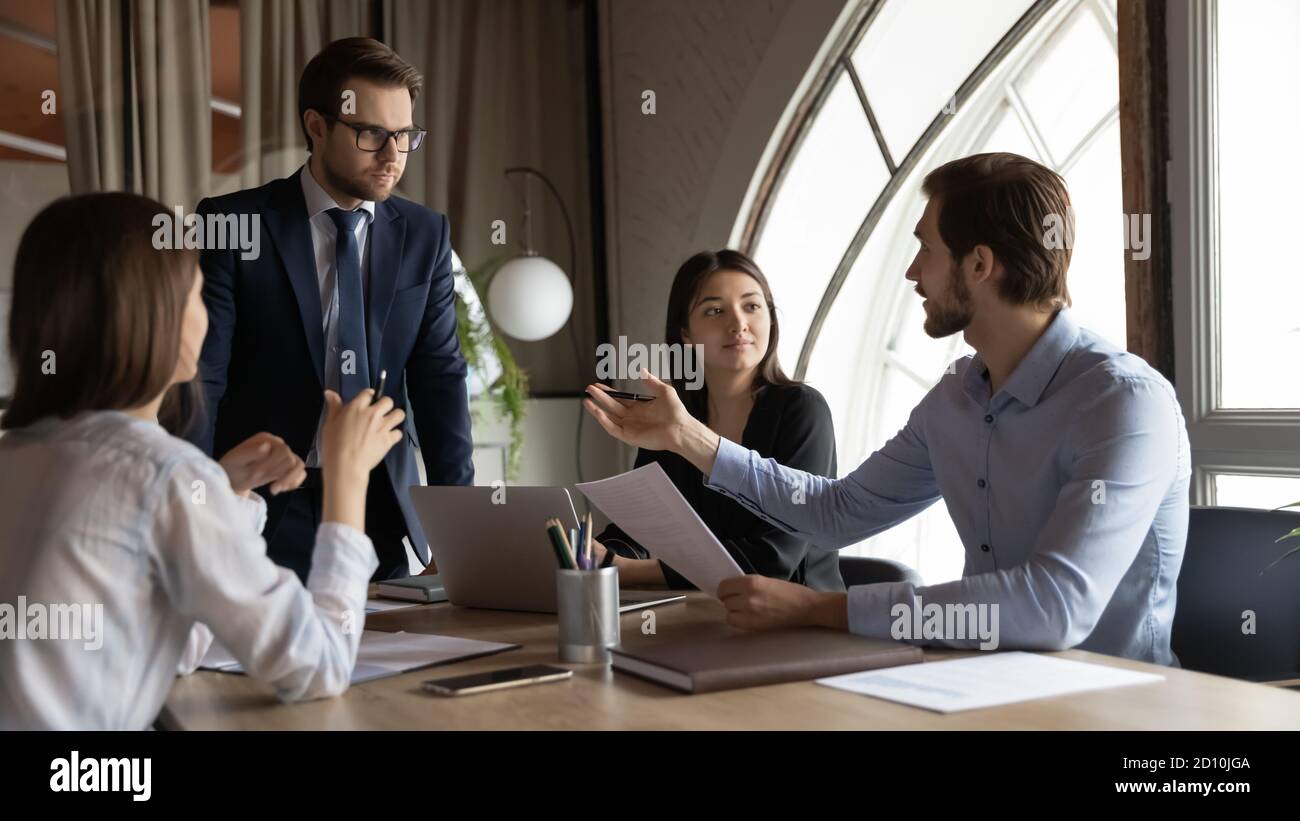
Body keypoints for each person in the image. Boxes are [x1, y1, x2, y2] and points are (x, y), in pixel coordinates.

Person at [584, 153, 1190, 664]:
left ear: (978, 265)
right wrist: (690, 437)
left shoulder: (1122, 402)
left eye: (926, 248)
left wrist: (826, 610)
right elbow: (836, 511)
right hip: (984, 684)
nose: (911, 271)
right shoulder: (956, 399)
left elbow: (1055, 606)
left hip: (1119, 705)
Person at [0, 192, 404, 729]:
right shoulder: (159, 473)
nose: (208, 317)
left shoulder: (20, 453)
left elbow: (169, 639)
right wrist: (347, 484)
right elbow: (320, 665)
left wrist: (221, 490)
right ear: (153, 315)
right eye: (197, 295)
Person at [189, 37, 473, 583]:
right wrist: (193, 505)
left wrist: (459, 527)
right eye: (372, 135)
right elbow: (203, 379)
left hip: (382, 504)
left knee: (390, 663)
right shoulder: (233, 223)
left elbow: (440, 379)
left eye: (405, 136)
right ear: (317, 126)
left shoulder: (424, 234)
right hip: (265, 500)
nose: (393, 156)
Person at [594, 250, 843, 592]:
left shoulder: (802, 410)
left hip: (799, 628)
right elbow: (638, 532)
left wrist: (624, 572)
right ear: (685, 332)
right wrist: (594, 557)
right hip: (701, 619)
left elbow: (771, 562)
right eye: (715, 310)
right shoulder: (676, 412)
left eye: (752, 306)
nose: (738, 323)